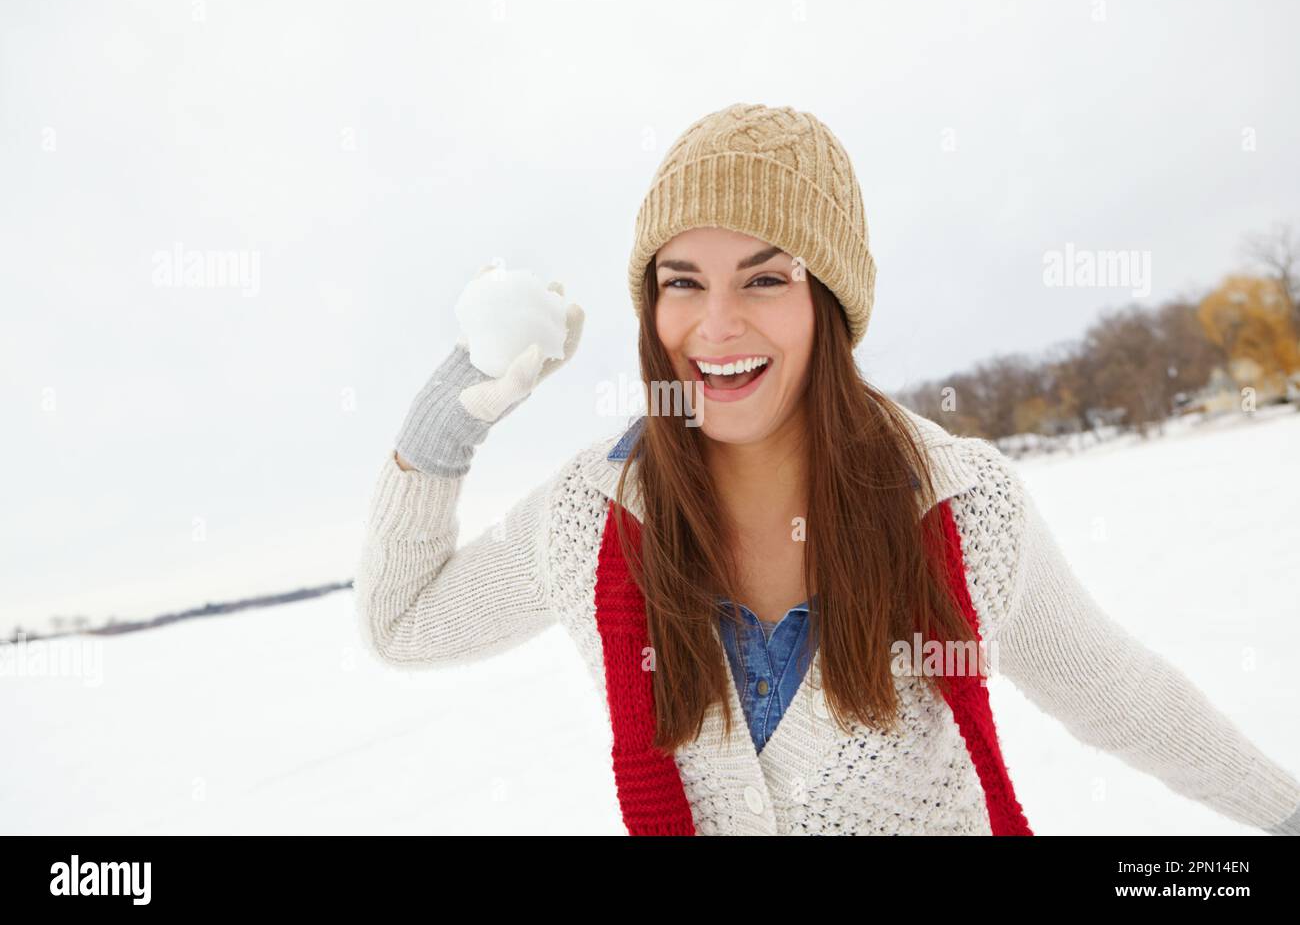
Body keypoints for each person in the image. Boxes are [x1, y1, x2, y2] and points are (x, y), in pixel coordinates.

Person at [355, 102, 1300, 836]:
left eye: (766, 279)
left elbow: (1120, 695)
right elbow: (403, 624)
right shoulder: (591, 518)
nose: (715, 326)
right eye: (682, 281)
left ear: (831, 308)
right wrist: (440, 434)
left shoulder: (963, 509)